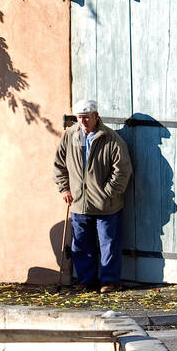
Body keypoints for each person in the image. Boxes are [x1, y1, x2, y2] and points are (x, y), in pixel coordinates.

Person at [53, 98, 133, 294]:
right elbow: (59, 165)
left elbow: (122, 171)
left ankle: (109, 281)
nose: (83, 122)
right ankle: (86, 281)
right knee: (81, 244)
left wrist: (108, 193)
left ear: (96, 116)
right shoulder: (70, 136)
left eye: (86, 118)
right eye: (79, 118)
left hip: (107, 204)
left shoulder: (112, 139)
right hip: (79, 202)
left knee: (109, 243)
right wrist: (64, 189)